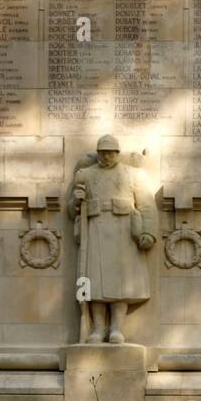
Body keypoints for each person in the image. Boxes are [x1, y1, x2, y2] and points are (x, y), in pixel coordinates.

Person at [69, 134, 157, 344]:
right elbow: (71, 211)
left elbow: (146, 206)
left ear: (117, 153)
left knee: (121, 284)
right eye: (103, 152)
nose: (107, 156)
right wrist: (76, 201)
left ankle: (117, 328)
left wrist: (148, 232)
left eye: (111, 152)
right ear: (98, 153)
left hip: (123, 232)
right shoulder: (85, 175)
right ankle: (98, 329)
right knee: (95, 283)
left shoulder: (134, 175)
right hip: (95, 231)